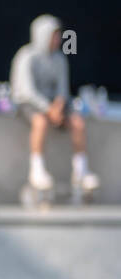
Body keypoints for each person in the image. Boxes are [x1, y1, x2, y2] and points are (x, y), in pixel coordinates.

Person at [10, 14, 99, 202]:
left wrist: (58, 106)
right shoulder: (26, 56)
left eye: (58, 35)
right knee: (40, 122)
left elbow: (62, 89)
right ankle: (36, 170)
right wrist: (48, 109)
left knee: (77, 122)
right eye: (54, 35)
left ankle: (81, 171)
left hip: (55, 106)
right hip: (30, 103)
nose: (57, 39)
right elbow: (26, 91)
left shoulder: (59, 58)